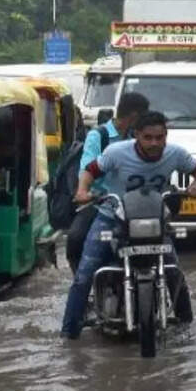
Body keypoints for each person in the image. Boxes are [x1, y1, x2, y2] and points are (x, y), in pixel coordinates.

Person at [60, 111, 196, 340]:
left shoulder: (175, 153)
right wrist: (82, 191)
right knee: (84, 276)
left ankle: (186, 329)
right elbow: (91, 170)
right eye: (148, 137)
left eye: (159, 138)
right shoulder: (116, 153)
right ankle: (69, 335)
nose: (154, 143)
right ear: (137, 135)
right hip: (112, 217)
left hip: (154, 221)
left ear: (166, 136)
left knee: (174, 273)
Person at [64, 92, 149, 271]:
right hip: (100, 201)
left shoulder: (140, 138)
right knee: (75, 238)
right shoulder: (98, 136)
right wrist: (85, 192)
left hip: (132, 202)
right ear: (134, 117)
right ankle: (83, 285)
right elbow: (87, 167)